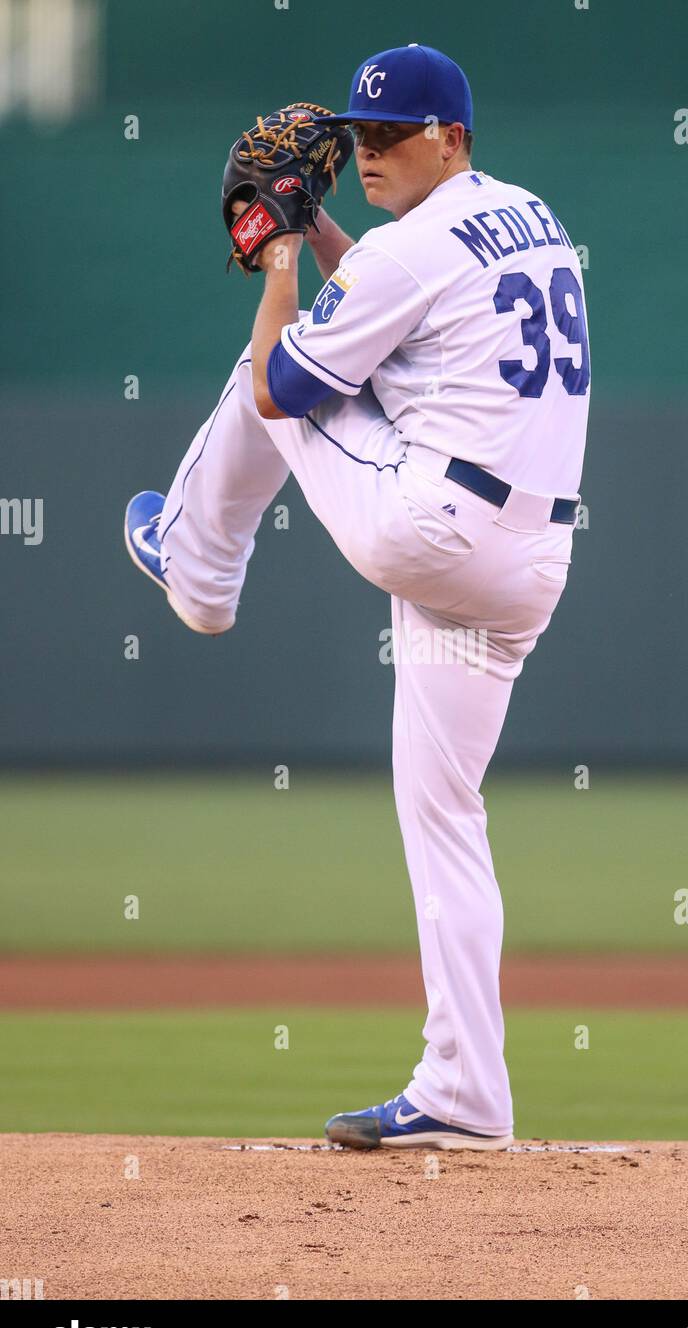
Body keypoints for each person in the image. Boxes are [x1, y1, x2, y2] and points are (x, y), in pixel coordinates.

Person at [124, 43, 591, 1150]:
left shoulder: (408, 248)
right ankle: (466, 1090)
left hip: (430, 530)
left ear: (452, 138)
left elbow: (293, 381)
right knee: (443, 818)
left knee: (262, 370)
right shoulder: (522, 213)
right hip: (527, 566)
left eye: (392, 134)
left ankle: (195, 561)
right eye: (361, 134)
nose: (367, 150)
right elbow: (405, 311)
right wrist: (326, 236)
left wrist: (283, 250)